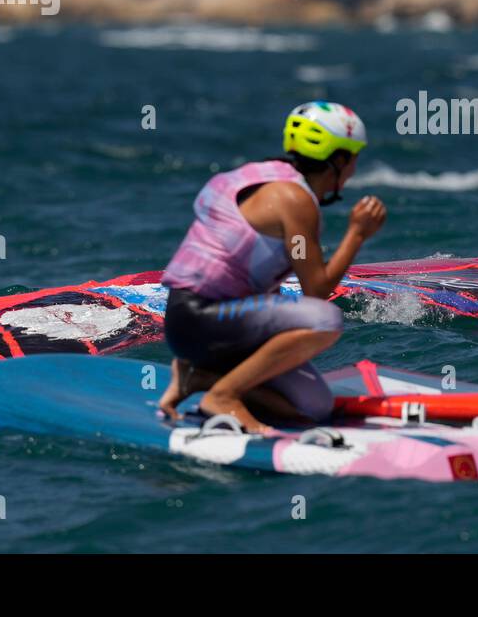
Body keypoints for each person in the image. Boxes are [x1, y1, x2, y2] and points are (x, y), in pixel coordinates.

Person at [156, 101, 386, 432]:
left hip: (201, 324)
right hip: (200, 319)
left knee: (314, 407)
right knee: (325, 320)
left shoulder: (265, 175)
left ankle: (199, 377)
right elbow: (317, 291)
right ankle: (224, 395)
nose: (353, 170)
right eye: (353, 158)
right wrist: (357, 233)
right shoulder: (294, 200)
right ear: (338, 160)